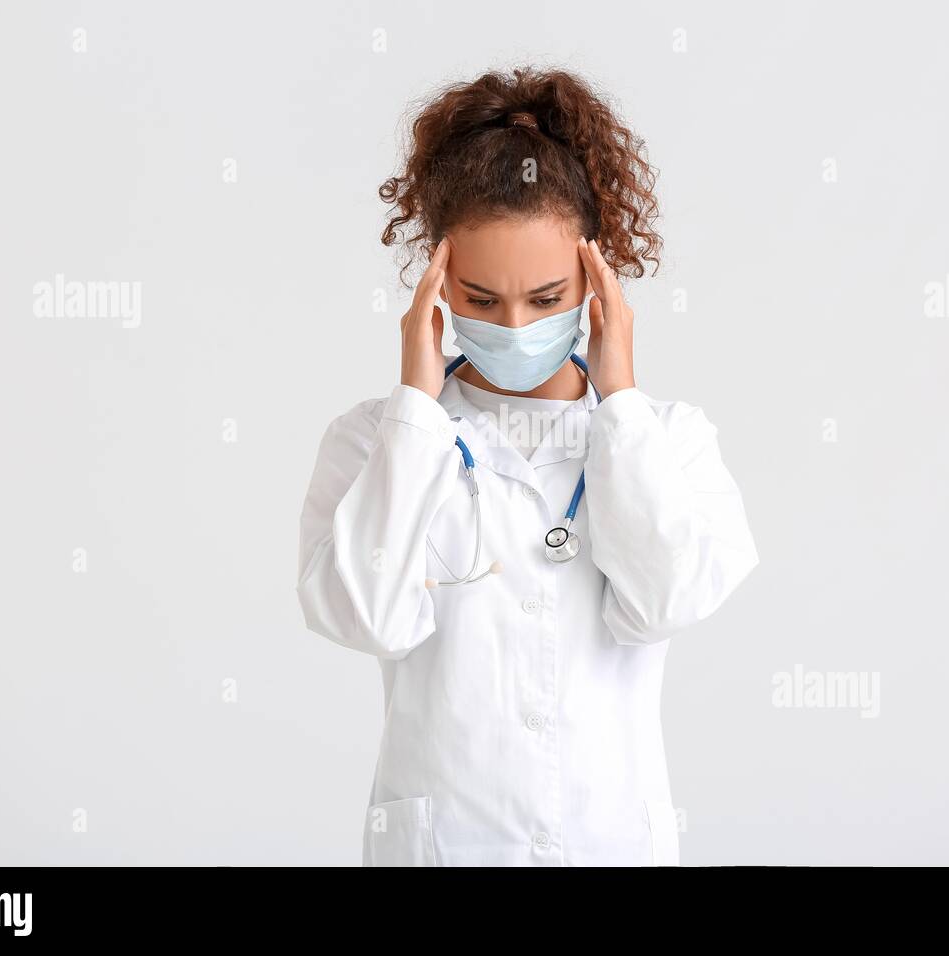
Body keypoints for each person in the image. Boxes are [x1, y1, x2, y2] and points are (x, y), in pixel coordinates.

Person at [296, 66, 759, 866]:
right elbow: (364, 616)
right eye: (479, 299)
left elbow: (665, 602)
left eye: (546, 298)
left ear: (595, 275)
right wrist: (415, 408)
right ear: (435, 284)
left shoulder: (671, 441)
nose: (514, 325)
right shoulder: (375, 442)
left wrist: (619, 406)